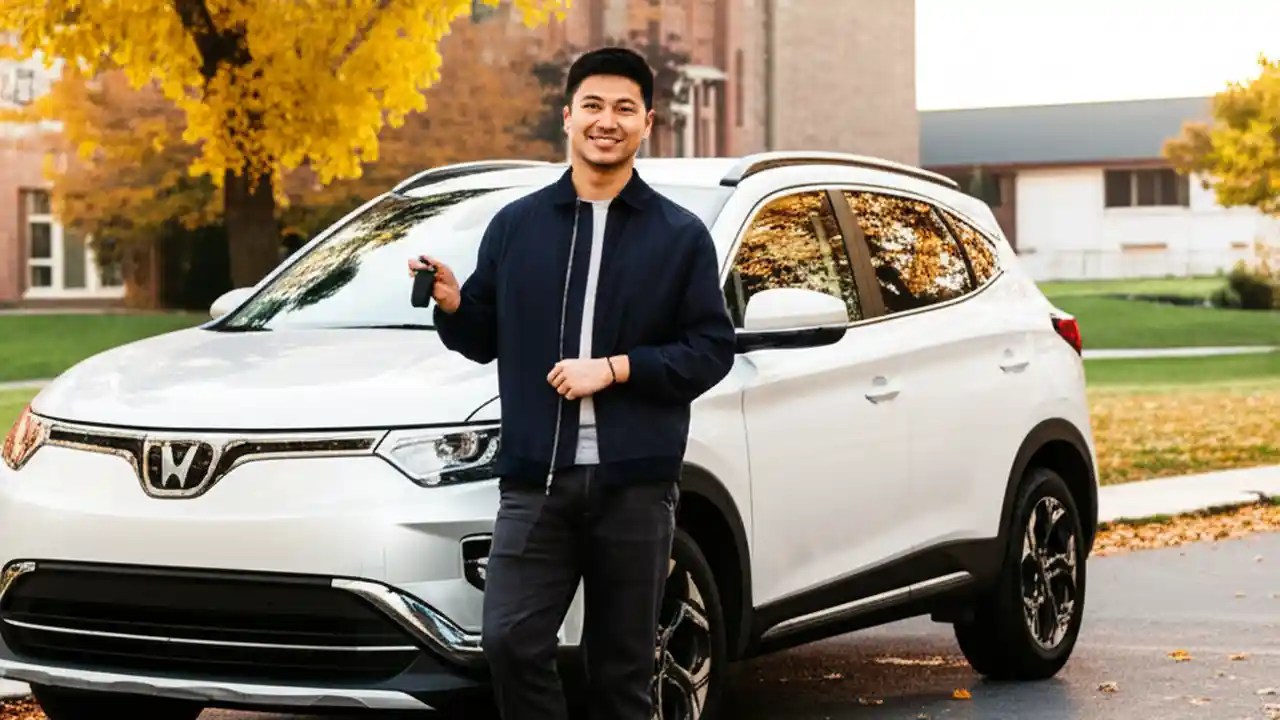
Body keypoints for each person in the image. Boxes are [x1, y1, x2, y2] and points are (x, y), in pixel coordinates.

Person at [407, 46, 736, 719]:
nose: (605, 121)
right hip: (536, 483)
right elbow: (482, 339)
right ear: (568, 118)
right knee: (509, 640)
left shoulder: (680, 237)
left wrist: (616, 370)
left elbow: (710, 350)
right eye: (592, 106)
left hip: (635, 487)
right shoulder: (518, 225)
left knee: (622, 670)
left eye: (623, 109)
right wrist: (453, 305)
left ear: (647, 123)